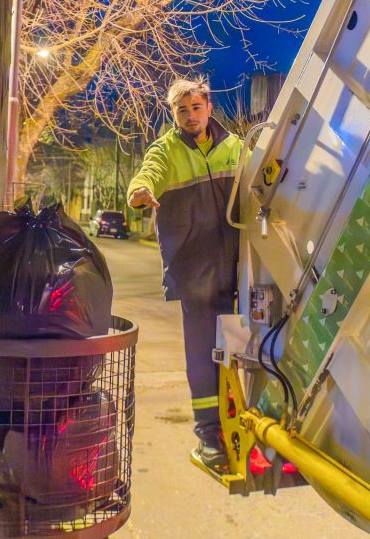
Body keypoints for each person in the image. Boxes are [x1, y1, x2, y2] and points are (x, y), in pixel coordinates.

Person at [127, 78, 242, 472]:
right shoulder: (166, 151)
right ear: (173, 114)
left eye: (196, 107)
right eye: (182, 110)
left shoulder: (234, 147)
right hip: (195, 273)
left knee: (238, 350)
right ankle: (209, 435)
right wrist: (140, 192)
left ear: (208, 108)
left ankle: (240, 421)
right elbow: (148, 174)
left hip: (238, 270)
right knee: (202, 355)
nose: (190, 116)